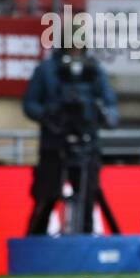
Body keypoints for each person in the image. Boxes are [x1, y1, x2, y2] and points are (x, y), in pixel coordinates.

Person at [22, 45, 120, 235]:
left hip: (87, 145)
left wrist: (104, 115)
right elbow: (29, 104)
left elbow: (110, 106)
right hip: (55, 146)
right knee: (46, 197)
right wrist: (49, 115)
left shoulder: (94, 69)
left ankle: (85, 245)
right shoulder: (47, 69)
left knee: (87, 198)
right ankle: (33, 247)